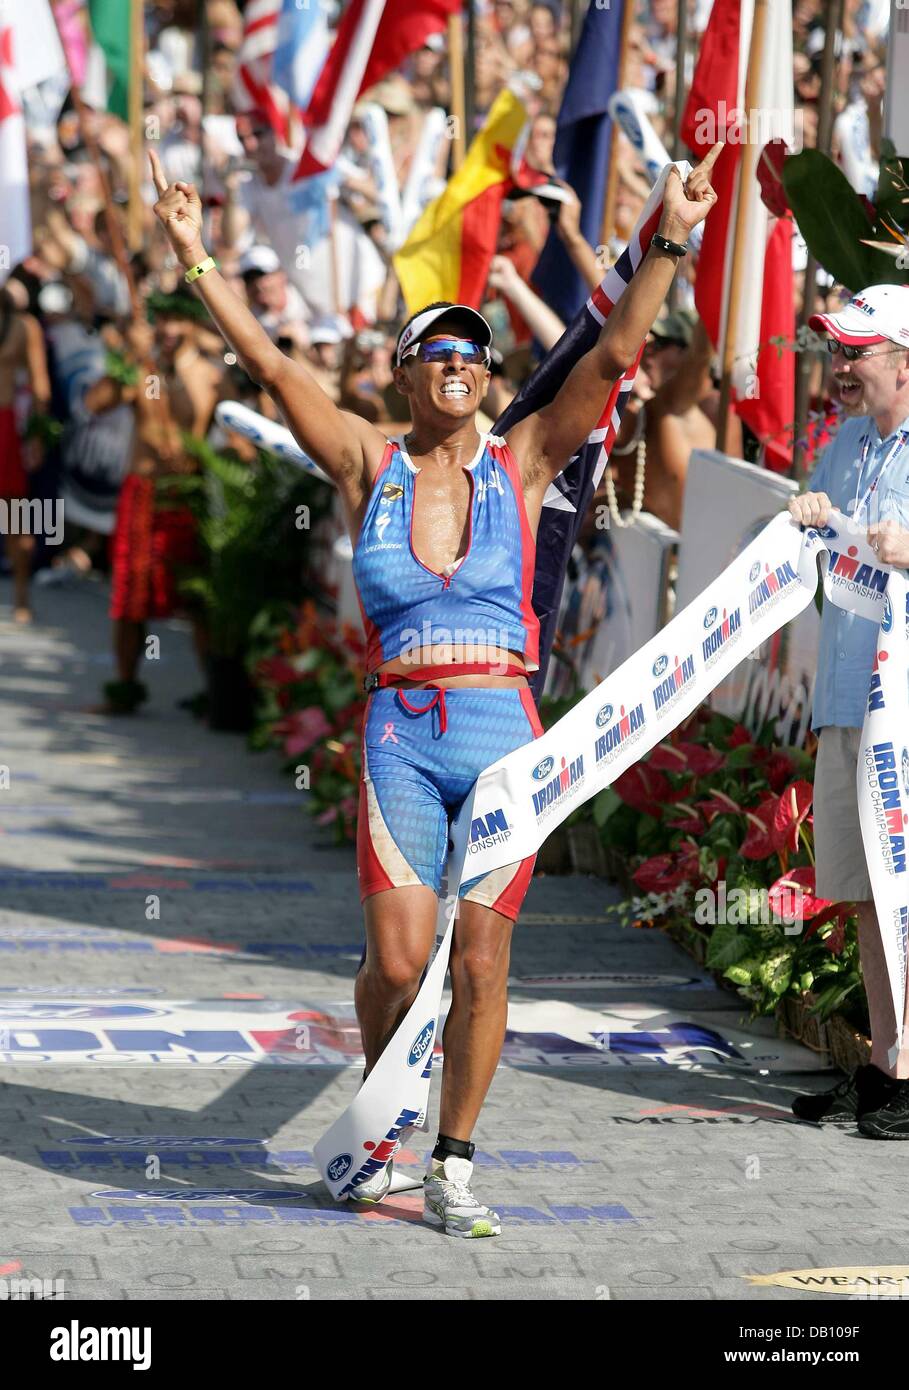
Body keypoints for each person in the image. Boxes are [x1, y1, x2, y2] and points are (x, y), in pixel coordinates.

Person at [148, 140, 721, 1234]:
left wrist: (672, 238)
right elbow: (273, 369)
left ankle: (453, 1162)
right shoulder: (369, 460)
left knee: (487, 955)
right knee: (403, 962)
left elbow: (612, 355)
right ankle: (383, 1120)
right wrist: (194, 254)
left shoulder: (526, 459)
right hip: (402, 735)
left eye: (475, 353)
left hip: (504, 732)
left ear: (490, 379)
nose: (459, 362)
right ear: (406, 372)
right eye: (437, 349)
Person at [787, 283, 909, 1138]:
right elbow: (810, 551)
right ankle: (881, 1067)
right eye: (837, 348)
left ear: (905, 363)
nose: (841, 364)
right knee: (867, 894)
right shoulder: (844, 444)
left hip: (899, 704)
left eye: (857, 351)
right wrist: (800, 517)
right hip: (843, 697)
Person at [0, 287, 52, 622]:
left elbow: (40, 384)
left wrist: (37, 434)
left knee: (15, 514)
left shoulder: (23, 325)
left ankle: (21, 595)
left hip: (6, 423)